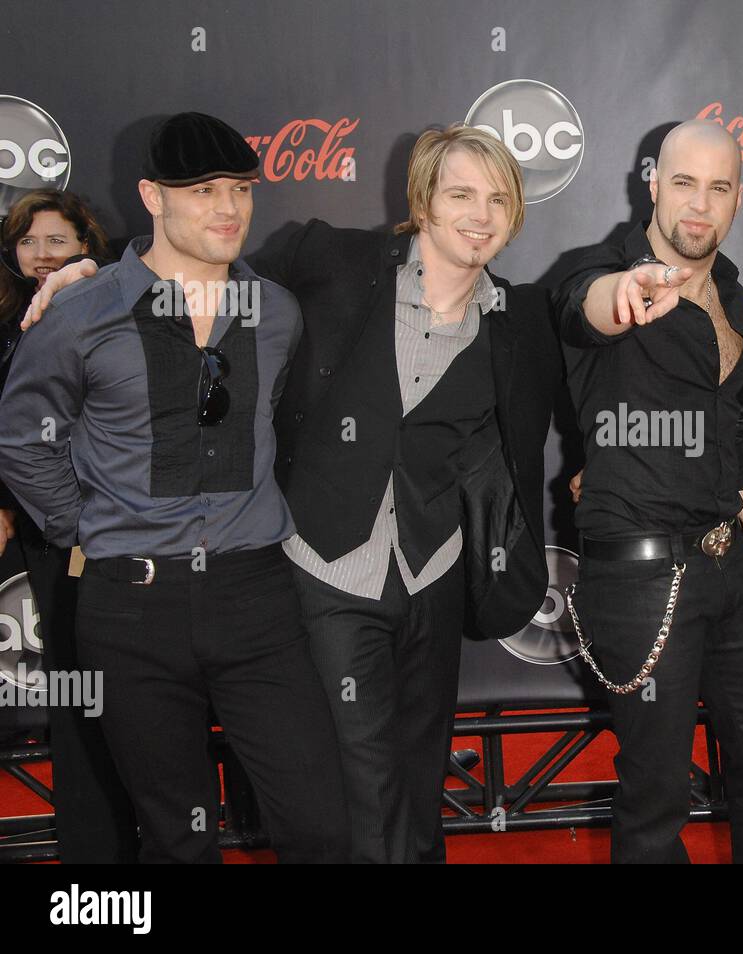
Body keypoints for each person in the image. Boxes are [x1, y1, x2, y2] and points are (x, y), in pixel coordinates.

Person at [28, 124, 561, 865]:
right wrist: (86, 277)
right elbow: (201, 272)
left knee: (415, 773)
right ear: (424, 202)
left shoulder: (516, 320)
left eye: (498, 198)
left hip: (431, 573)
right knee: (353, 786)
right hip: (323, 572)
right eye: (461, 194)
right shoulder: (330, 262)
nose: (480, 213)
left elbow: (589, 308)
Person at [0, 112, 349, 863]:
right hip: (132, 609)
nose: (228, 209)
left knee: (321, 824)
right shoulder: (83, 311)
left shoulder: (276, 312)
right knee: (175, 838)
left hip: (255, 598)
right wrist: (88, 528)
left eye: (241, 191)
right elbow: (22, 438)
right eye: (203, 191)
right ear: (152, 197)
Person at [557, 120, 743, 864]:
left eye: (719, 188)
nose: (699, 204)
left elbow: (731, 433)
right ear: (653, 184)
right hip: (639, 574)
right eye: (684, 183)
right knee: (657, 793)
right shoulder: (598, 268)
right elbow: (587, 305)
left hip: (728, 564)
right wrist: (624, 292)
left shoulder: (731, 288)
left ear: (736, 203)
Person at [0, 189, 136, 862]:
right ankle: (96, 859)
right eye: (29, 241)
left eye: (58, 240)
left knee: (142, 698)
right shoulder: (10, 322)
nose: (42, 254)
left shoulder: (114, 308)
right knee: (78, 698)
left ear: (88, 247)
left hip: (130, 531)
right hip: (56, 540)